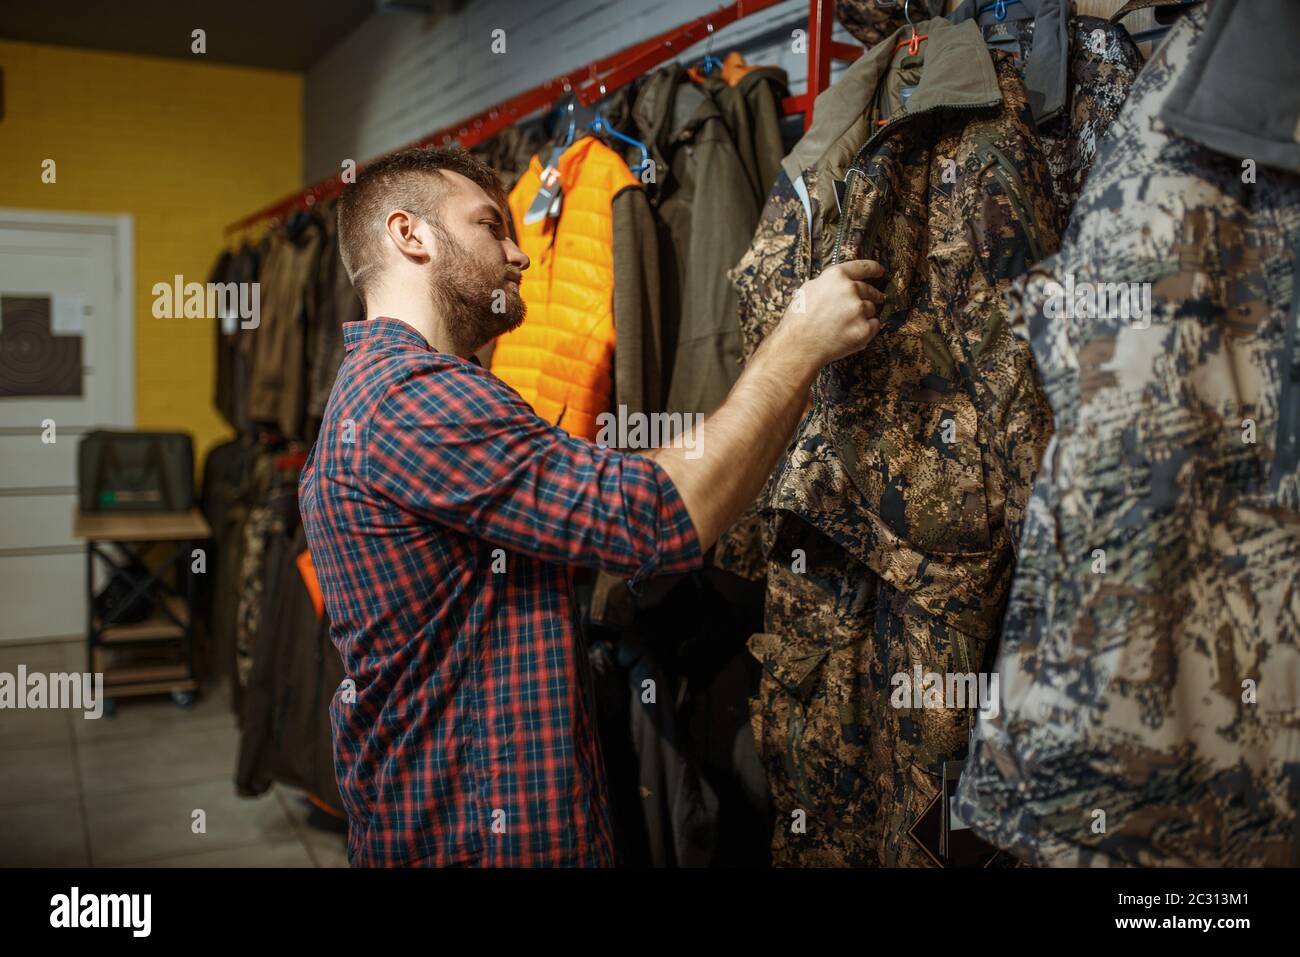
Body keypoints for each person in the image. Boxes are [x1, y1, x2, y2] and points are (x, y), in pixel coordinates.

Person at [299, 146, 884, 866]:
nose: (519, 254)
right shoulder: (416, 400)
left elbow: (611, 489)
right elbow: (660, 515)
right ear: (409, 234)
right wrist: (800, 340)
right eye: (491, 226)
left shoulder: (391, 390)